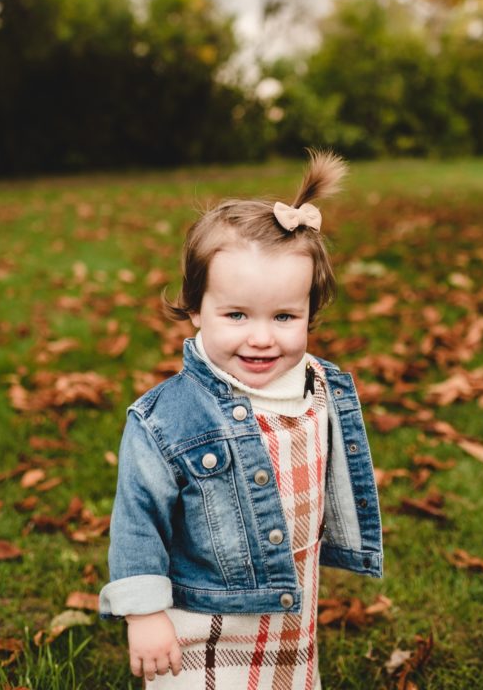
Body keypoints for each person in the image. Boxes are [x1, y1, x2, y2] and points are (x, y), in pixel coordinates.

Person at [99, 150, 383, 688]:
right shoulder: (167, 420)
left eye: (284, 316)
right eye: (236, 315)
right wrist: (144, 613)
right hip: (201, 613)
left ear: (311, 312)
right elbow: (138, 519)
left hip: (290, 601)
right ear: (194, 308)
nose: (261, 337)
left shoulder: (320, 387)